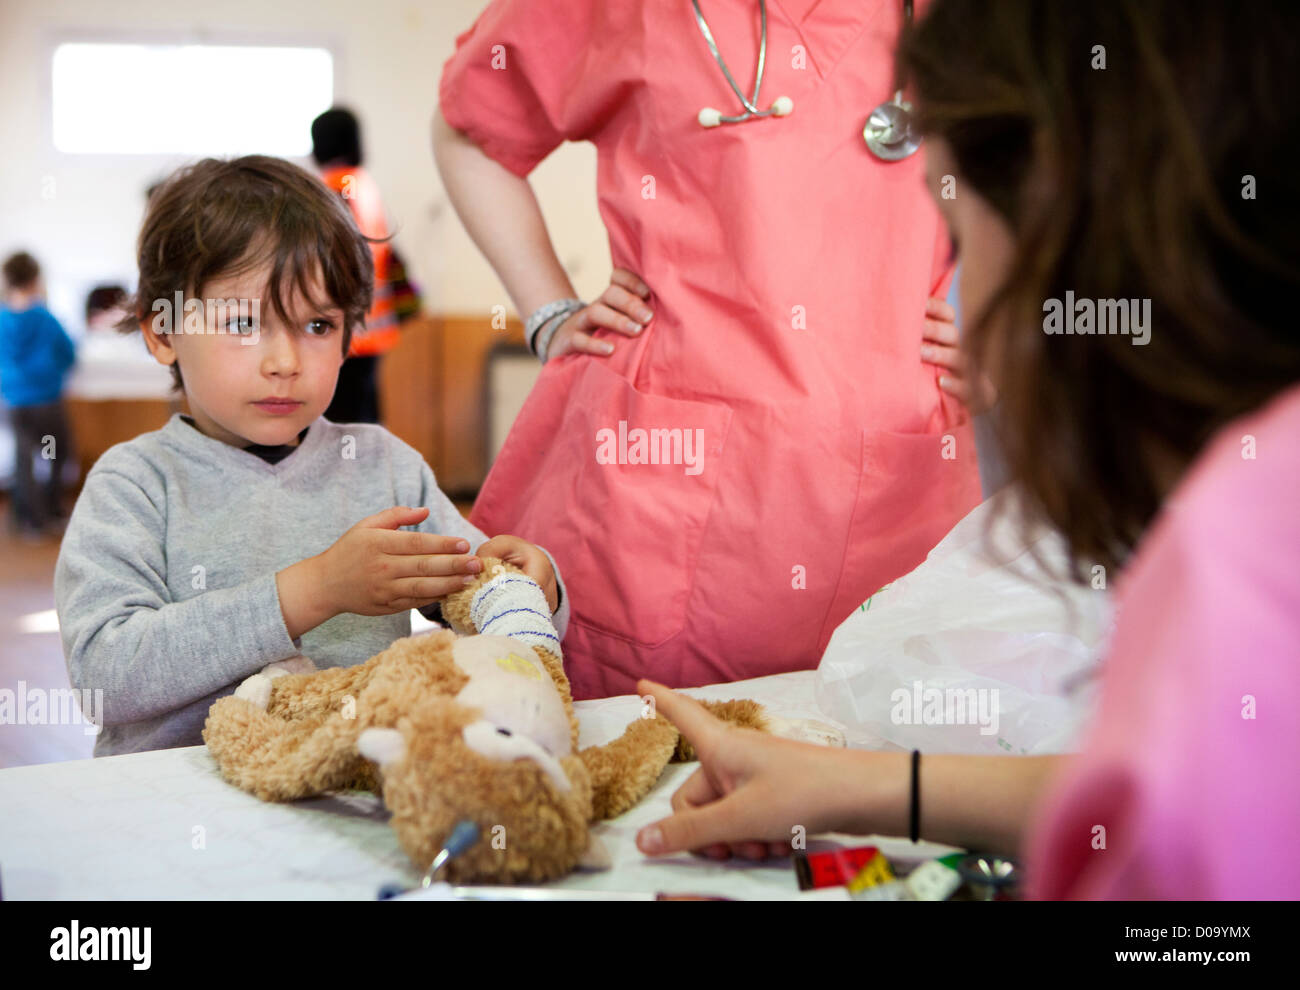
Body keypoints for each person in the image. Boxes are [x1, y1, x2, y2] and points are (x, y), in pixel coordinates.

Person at [632, 0, 1300, 899]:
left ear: (1072, 222)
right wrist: (864, 787)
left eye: (959, 228)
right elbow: (1183, 794)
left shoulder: (1242, 560)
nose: (962, 301)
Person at [434, 0, 987, 699]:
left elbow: (1072, 178)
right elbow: (469, 133)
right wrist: (549, 311)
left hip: (903, 485)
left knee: (884, 752)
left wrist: (1006, 328)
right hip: (656, 485)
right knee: (618, 764)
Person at [54, 156, 570, 757]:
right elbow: (103, 677)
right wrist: (315, 589)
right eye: (243, 322)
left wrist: (534, 589)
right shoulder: (135, 484)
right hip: (174, 812)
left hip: (349, 796)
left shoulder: (384, 466)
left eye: (318, 325)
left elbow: (475, 594)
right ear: (162, 333)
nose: (284, 361)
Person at [311, 107, 398, 424]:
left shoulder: (332, 190)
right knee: (366, 422)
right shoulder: (365, 185)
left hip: (345, 332)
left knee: (339, 428)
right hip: (374, 326)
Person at [0, 251, 76, 538]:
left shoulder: (2, 318)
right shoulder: (45, 317)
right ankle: (52, 510)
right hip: (46, 401)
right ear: (35, 279)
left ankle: (28, 520)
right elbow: (67, 354)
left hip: (14, 402)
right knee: (54, 454)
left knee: (24, 459)